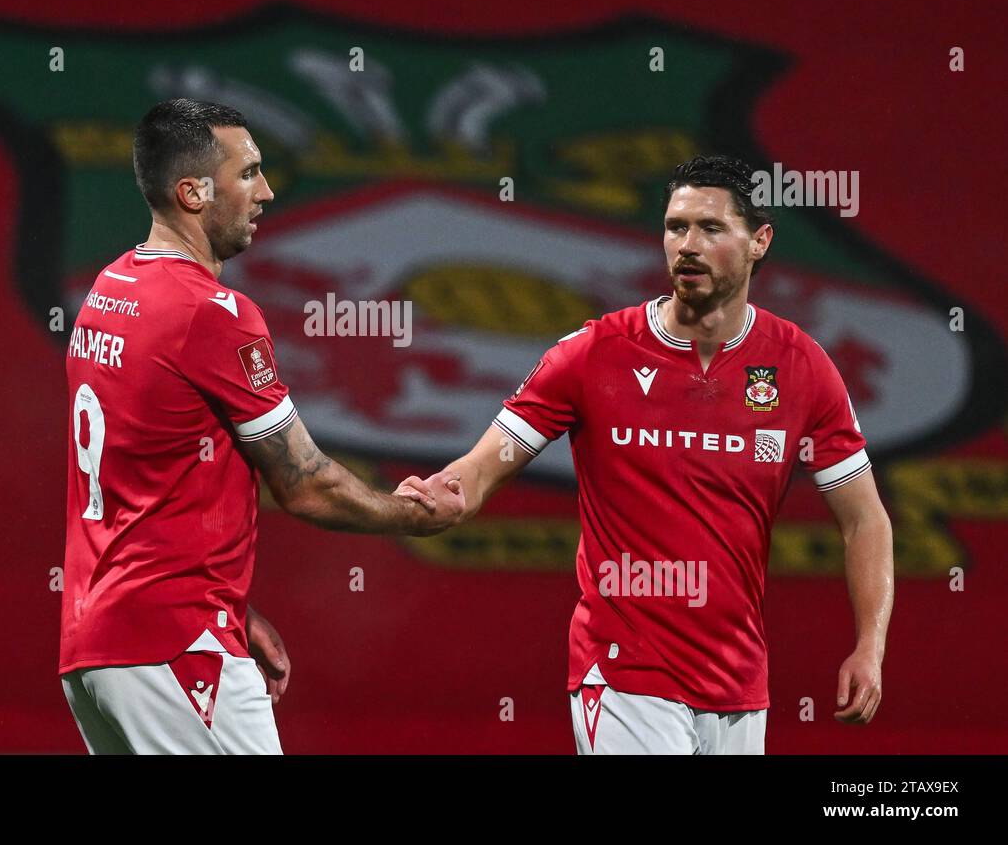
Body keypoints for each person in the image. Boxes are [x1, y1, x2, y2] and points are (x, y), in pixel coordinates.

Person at [399, 155, 894, 754]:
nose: (687, 245)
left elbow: (864, 518)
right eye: (675, 226)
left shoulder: (802, 367)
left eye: (710, 229)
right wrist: (445, 491)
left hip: (738, 684)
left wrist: (870, 645)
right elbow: (481, 467)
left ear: (760, 240)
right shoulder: (592, 355)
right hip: (623, 672)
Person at [60, 98, 463, 754]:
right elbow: (306, 484)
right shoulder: (212, 312)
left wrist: (231, 608)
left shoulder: (108, 293)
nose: (266, 192)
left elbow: (139, 476)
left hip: (98, 647)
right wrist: (414, 514)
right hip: (174, 647)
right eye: (247, 174)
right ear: (192, 192)